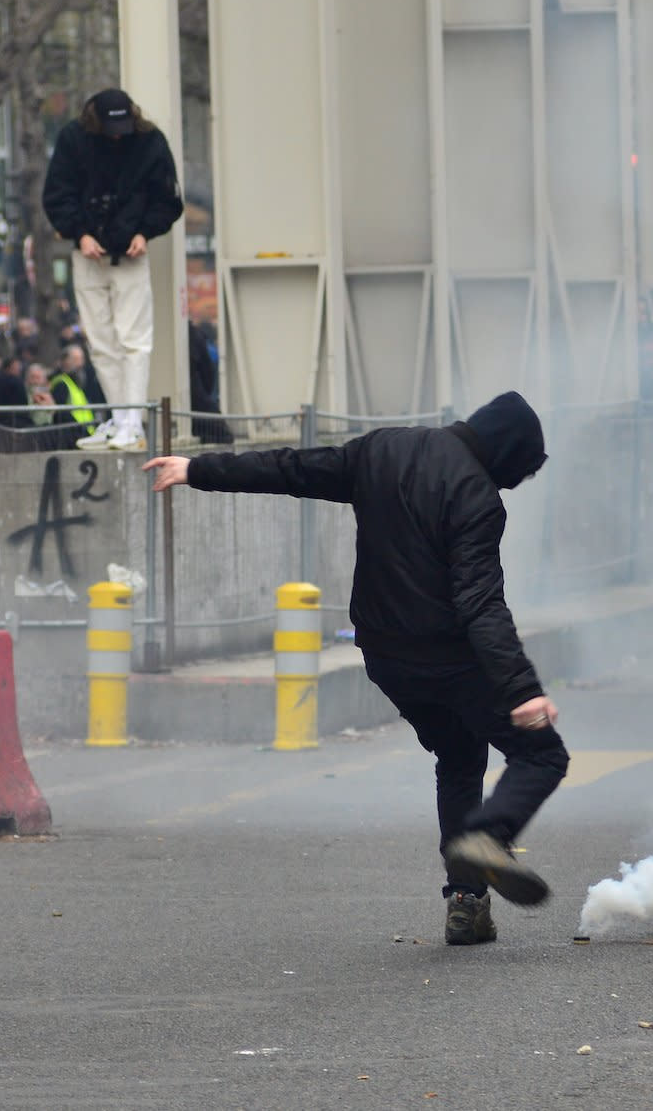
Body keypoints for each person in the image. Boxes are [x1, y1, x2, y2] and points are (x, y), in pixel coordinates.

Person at [144, 392, 567, 946]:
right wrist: (522, 691)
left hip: (386, 657)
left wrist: (197, 469)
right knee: (542, 754)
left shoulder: (382, 449)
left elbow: (292, 469)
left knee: (461, 756)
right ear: (507, 452)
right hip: (448, 660)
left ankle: (467, 903)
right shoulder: (477, 497)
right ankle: (489, 836)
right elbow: (480, 604)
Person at [40, 89, 183, 452]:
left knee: (133, 339)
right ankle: (122, 420)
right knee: (102, 343)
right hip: (89, 252)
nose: (118, 134)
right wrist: (81, 233)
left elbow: (167, 198)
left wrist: (143, 232)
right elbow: (57, 194)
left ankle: (131, 423)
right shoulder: (75, 141)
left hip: (127, 253)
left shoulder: (148, 142)